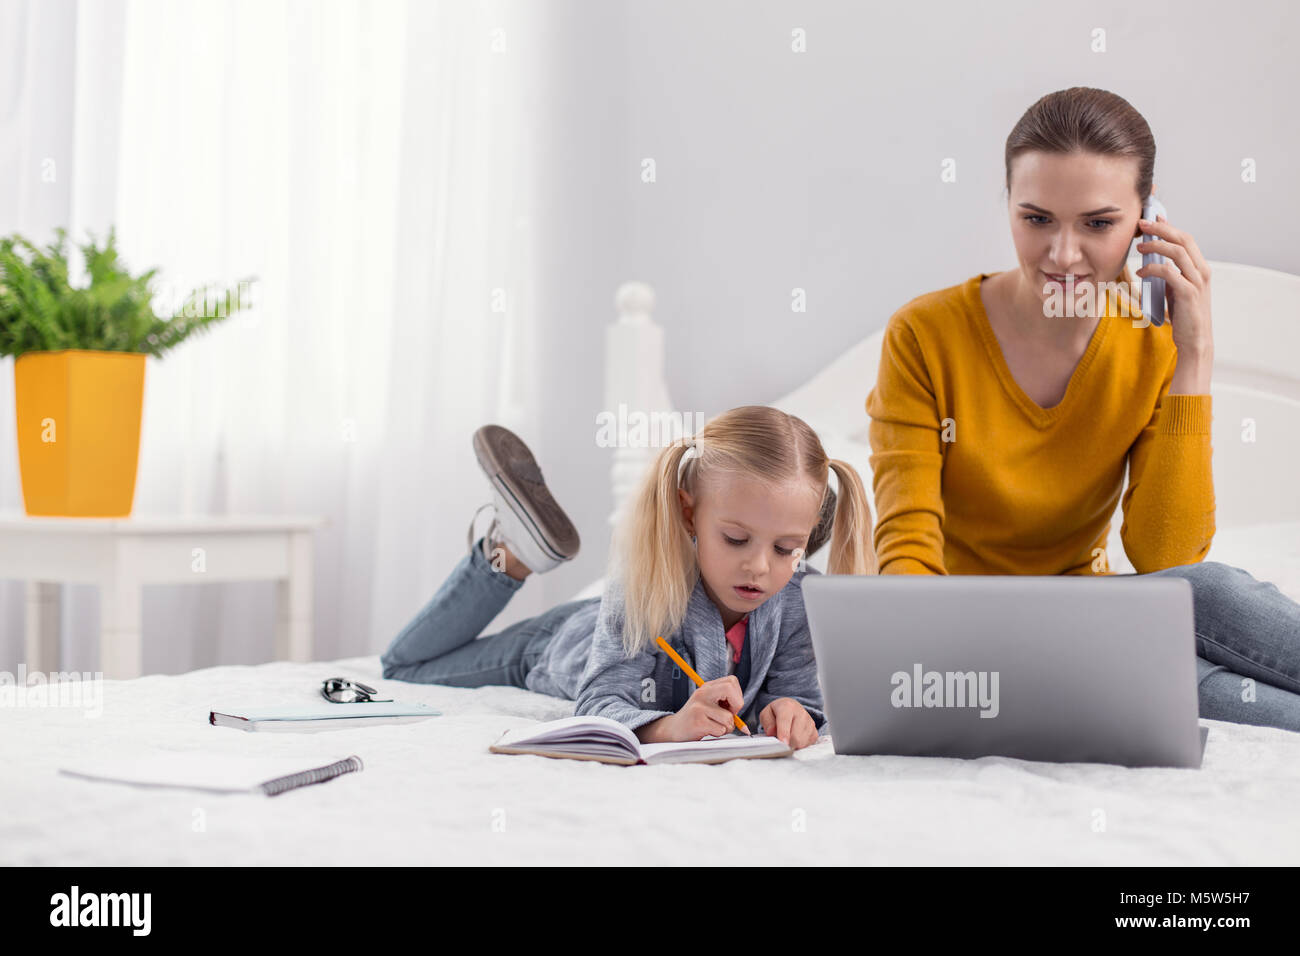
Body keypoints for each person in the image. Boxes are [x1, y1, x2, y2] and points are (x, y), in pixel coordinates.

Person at [866, 86, 1300, 732]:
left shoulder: (1150, 347)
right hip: (967, 641)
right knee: (1185, 654)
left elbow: (1166, 556)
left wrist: (1194, 354)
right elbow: (907, 549)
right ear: (1008, 206)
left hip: (1091, 628)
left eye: (1097, 224)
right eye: (1036, 219)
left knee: (1213, 619)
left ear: (1145, 221)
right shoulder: (925, 335)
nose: (1062, 256)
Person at [380, 406, 875, 749]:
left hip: (593, 627)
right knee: (403, 667)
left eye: (787, 549)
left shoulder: (799, 599)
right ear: (689, 515)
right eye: (735, 539)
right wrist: (668, 728)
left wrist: (793, 714)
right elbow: (599, 699)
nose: (761, 567)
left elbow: (799, 700)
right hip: (557, 644)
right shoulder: (641, 577)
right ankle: (508, 553)